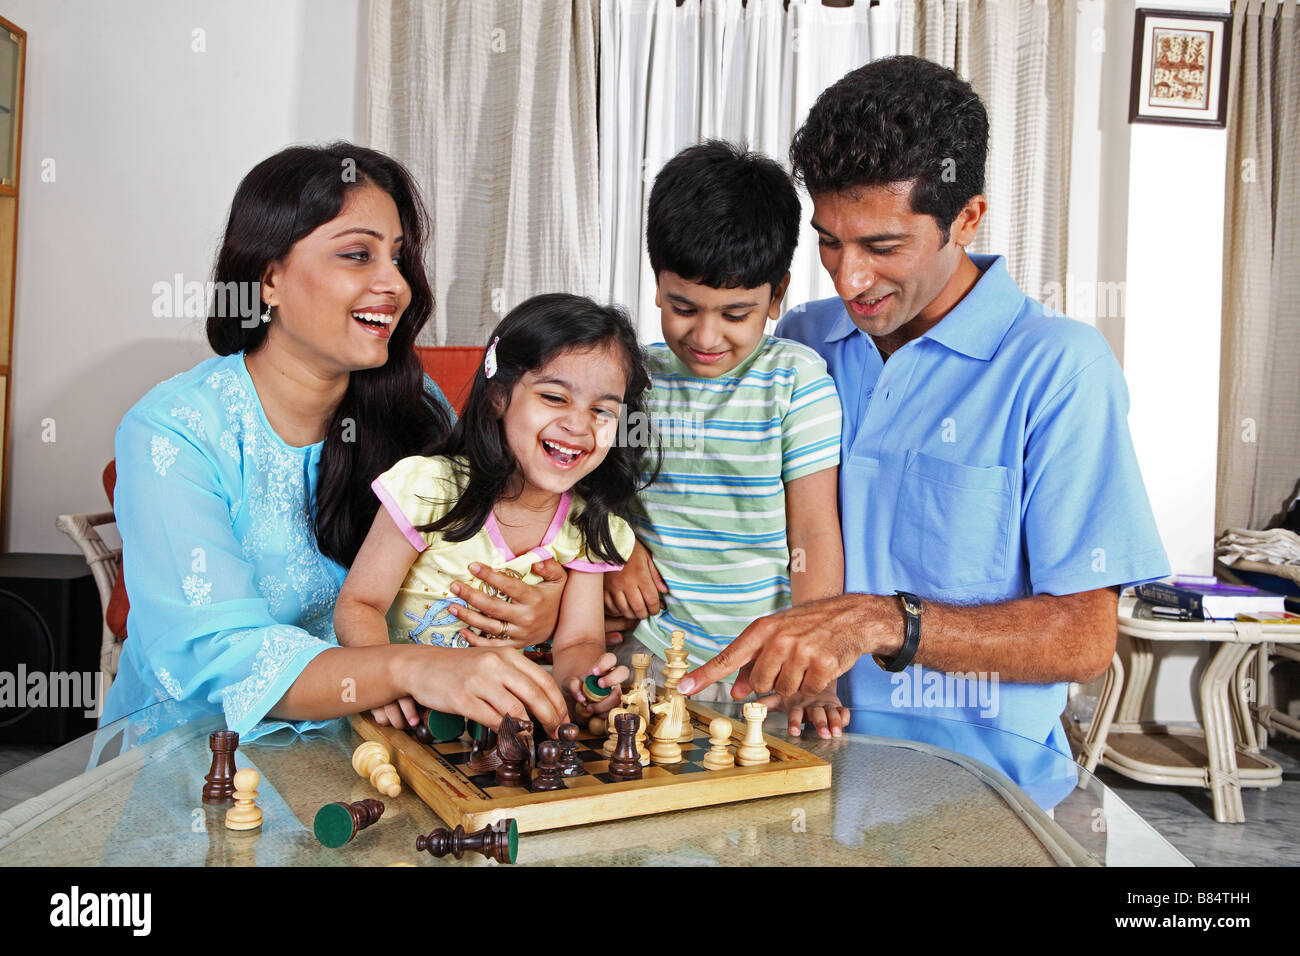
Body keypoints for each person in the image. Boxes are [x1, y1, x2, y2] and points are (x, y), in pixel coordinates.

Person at [679, 57, 1170, 802]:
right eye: (829, 242)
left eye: (882, 247)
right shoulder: (797, 347)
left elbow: (1084, 639)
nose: (849, 280)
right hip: (785, 778)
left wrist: (884, 622)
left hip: (975, 800)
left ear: (966, 218)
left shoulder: (1059, 369)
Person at [102, 143, 572, 742]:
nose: (394, 285)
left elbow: (490, 534)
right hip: (204, 759)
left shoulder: (412, 403)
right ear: (268, 278)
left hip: (383, 747)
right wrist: (412, 667)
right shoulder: (172, 432)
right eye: (358, 254)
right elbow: (218, 659)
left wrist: (542, 610)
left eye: (399, 259)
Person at [603, 141, 848, 737]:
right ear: (657, 282)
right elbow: (580, 487)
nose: (706, 336)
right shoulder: (628, 377)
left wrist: (818, 672)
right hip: (650, 652)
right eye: (683, 307)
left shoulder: (796, 381)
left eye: (736, 314)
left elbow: (813, 530)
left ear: (778, 294)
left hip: (766, 665)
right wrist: (617, 550)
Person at [335, 294, 650, 732]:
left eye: (602, 410)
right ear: (500, 396)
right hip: (402, 722)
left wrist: (586, 683)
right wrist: (380, 678)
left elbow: (578, 641)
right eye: (555, 397)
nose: (579, 425)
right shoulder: (429, 488)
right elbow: (359, 603)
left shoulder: (588, 528)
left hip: (493, 736)